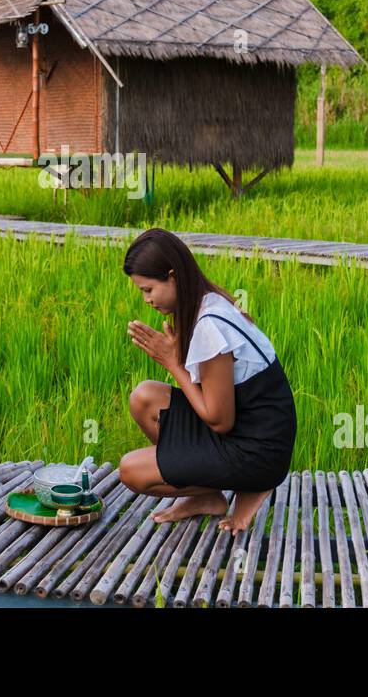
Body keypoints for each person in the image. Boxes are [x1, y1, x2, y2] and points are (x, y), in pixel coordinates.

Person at [118, 228, 296, 535]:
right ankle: (207, 496)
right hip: (245, 426)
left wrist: (173, 363)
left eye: (148, 289)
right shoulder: (208, 300)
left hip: (259, 450)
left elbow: (219, 420)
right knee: (144, 397)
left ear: (172, 277)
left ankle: (254, 485)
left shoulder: (210, 326)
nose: (146, 299)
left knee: (131, 471)